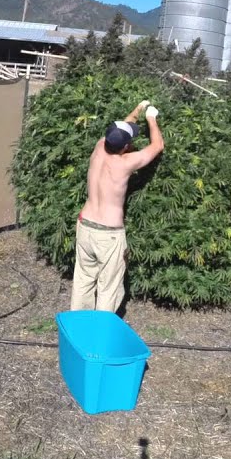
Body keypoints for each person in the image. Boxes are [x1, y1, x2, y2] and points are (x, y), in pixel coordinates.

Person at [71, 99, 164, 313]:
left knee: (83, 280)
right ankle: (101, 337)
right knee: (109, 288)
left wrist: (139, 108)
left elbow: (123, 126)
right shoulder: (125, 163)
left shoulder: (99, 147)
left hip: (85, 226)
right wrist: (151, 117)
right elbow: (157, 146)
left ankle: (79, 332)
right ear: (125, 147)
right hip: (109, 235)